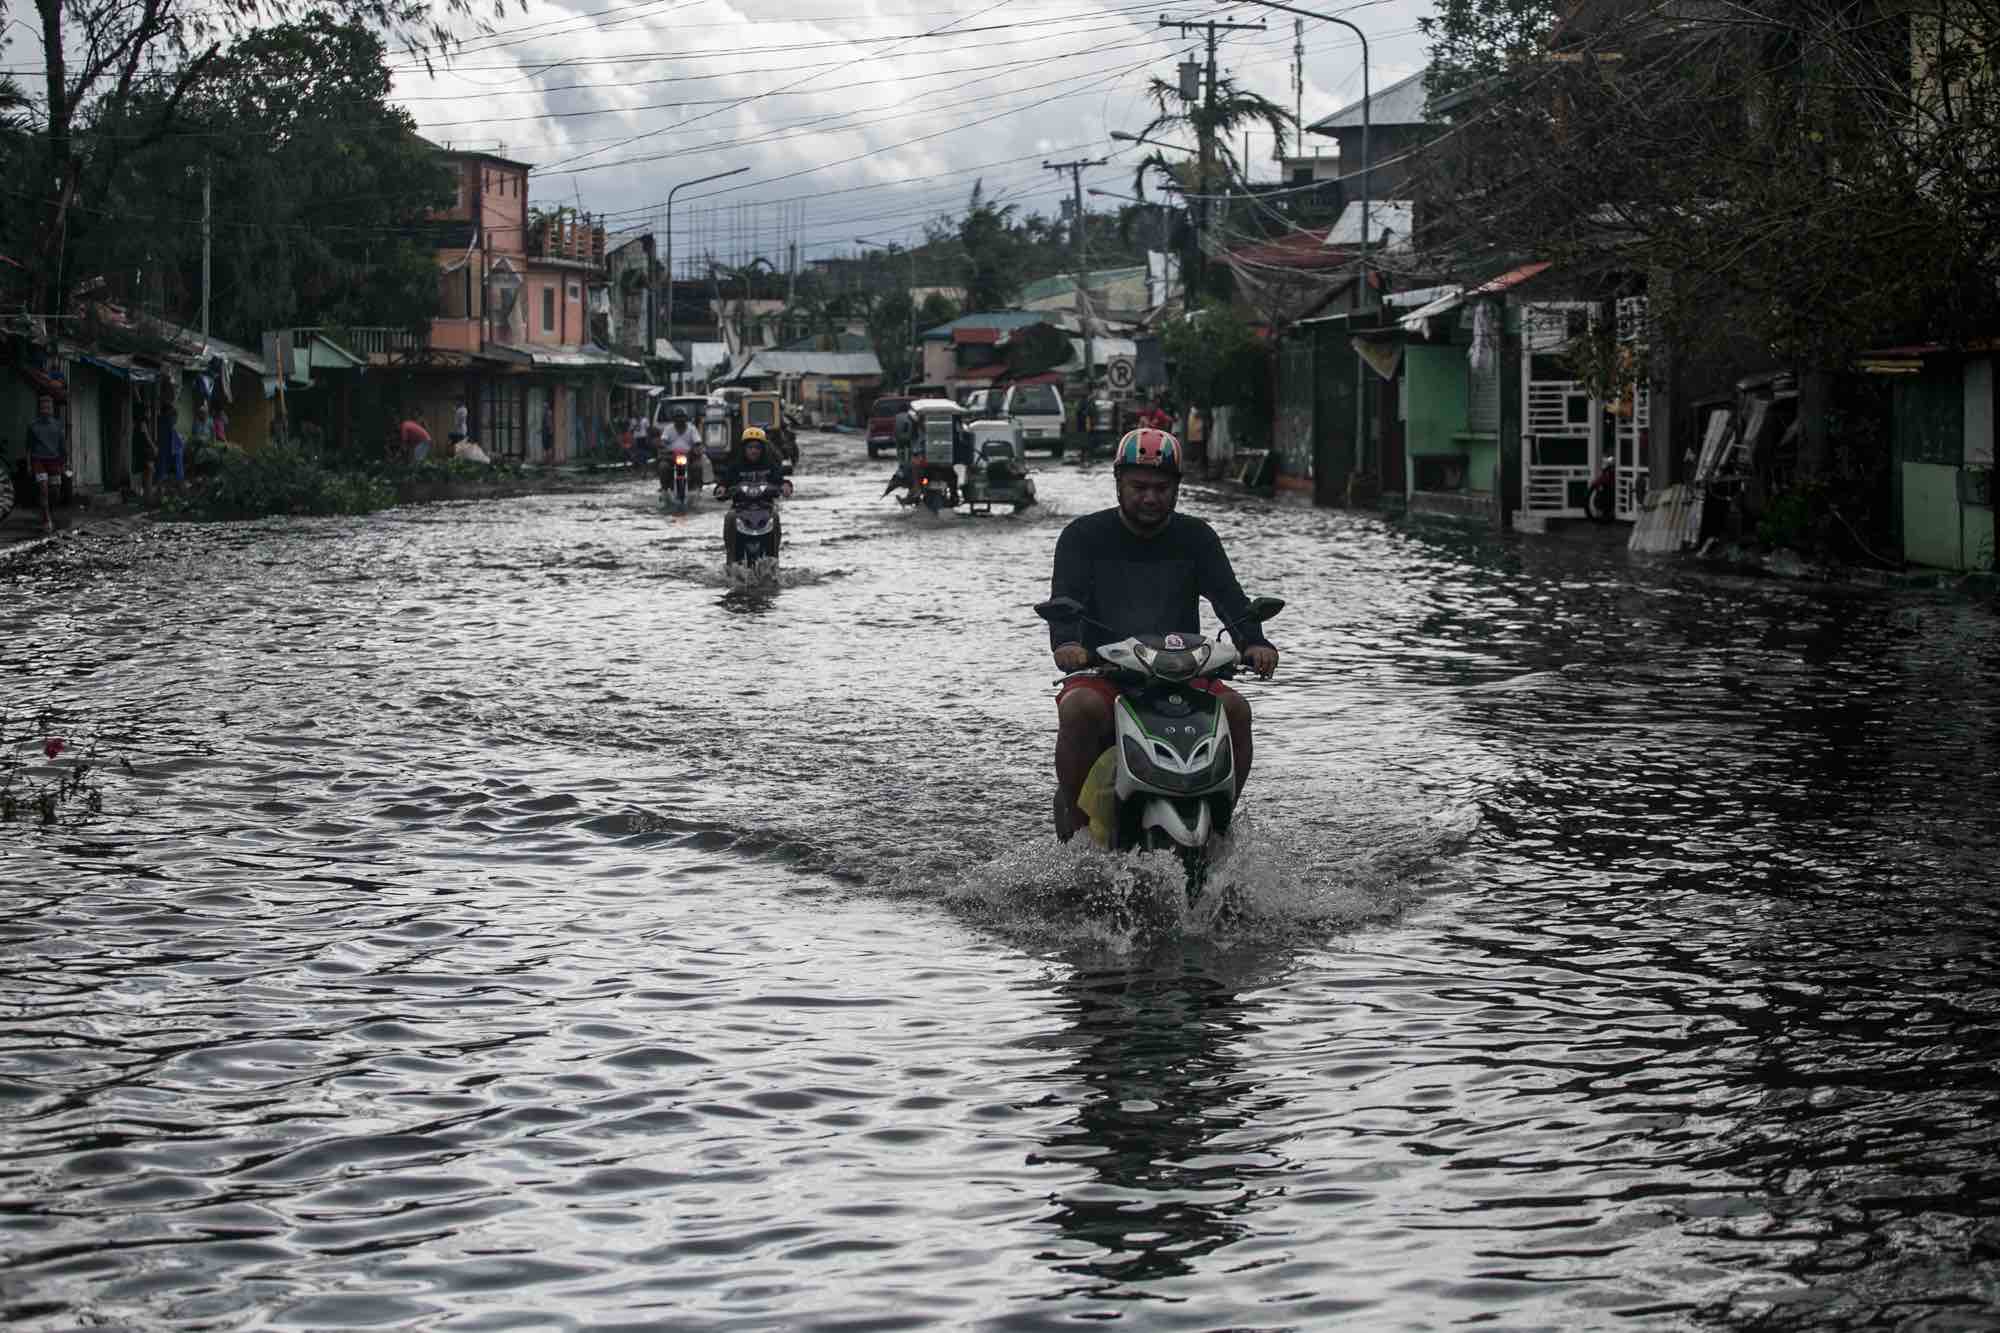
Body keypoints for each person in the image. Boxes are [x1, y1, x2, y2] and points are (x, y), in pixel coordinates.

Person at [1043, 427, 1279, 841]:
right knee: (1078, 709)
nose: (1150, 497)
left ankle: (1221, 827)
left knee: (1238, 710)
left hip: (1185, 675)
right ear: (1118, 483)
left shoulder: (1198, 537)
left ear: (1177, 488)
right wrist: (1068, 644)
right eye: (1138, 487)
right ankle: (1078, 830)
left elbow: (1229, 599)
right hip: (1106, 676)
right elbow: (1066, 602)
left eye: (1161, 487)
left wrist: (1254, 642)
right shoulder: (1082, 536)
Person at [714, 427, 791, 560]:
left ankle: (774, 557)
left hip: (765, 508)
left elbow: (781, 480)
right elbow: (723, 483)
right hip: (740, 508)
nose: (753, 451)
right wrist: (721, 489)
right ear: (744, 448)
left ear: (763, 449)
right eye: (750, 447)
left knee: (775, 516)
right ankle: (731, 557)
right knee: (730, 517)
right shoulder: (735, 466)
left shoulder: (770, 465)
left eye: (757, 447)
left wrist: (786, 486)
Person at [25, 395, 65, 533]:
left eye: (48, 407)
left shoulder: (58, 425)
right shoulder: (33, 426)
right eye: (43, 407)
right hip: (38, 461)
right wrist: (29, 464)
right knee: (43, 491)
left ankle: (48, 511)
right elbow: (29, 447)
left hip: (54, 460)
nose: (46, 410)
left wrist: (64, 462)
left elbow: (62, 446)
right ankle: (47, 520)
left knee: (56, 492)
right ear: (39, 409)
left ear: (52, 409)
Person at [661, 406, 704, 487]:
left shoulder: (692, 429)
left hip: (689, 456)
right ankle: (664, 488)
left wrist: (695, 449)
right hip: (672, 457)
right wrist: (665, 448)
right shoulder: (668, 429)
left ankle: (696, 487)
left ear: (685, 418)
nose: (679, 419)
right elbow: (663, 441)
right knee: (663, 467)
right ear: (673, 419)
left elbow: (697, 442)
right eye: (677, 417)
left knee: (698, 466)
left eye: (681, 417)